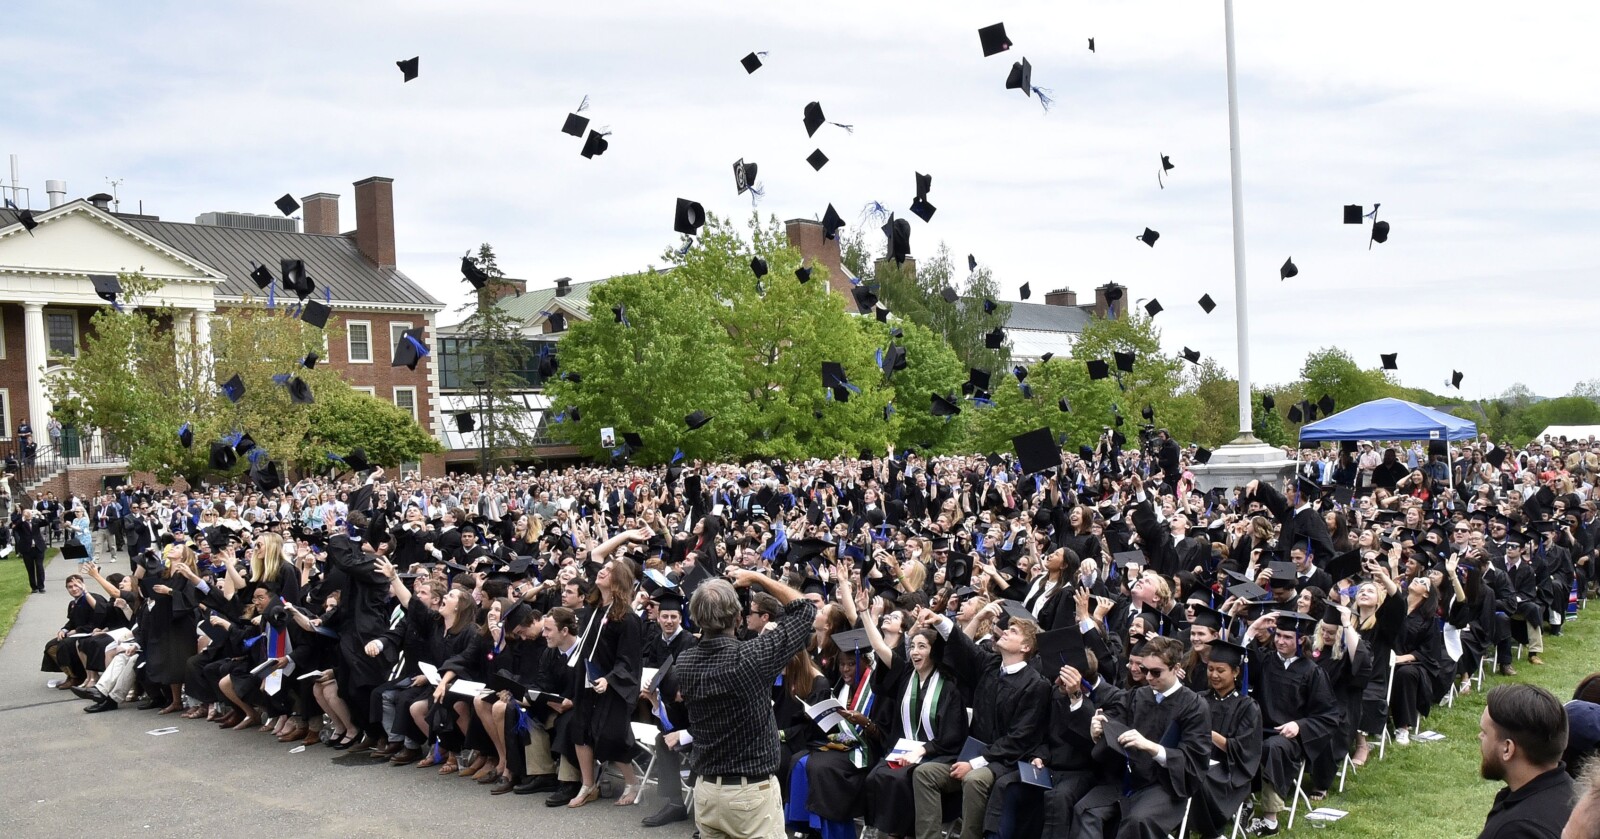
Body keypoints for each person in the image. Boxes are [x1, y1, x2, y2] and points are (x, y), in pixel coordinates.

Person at [677, 569, 816, 839]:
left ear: (696, 618)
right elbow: (805, 610)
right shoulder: (751, 657)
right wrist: (758, 578)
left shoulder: (685, 662)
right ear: (739, 617)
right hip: (749, 795)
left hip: (706, 792)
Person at [1477, 684, 1573, 838]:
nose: (1479, 737)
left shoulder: (1517, 831)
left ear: (1507, 748)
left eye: (1484, 732)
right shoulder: (1575, 796)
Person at [12, 507, 48, 593]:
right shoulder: (21, 523)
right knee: (30, 568)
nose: (29, 515)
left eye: (30, 513)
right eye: (27, 514)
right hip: (27, 549)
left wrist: (40, 515)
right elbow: (16, 528)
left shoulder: (36, 521)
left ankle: (41, 586)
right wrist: (23, 519)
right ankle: (34, 587)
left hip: (38, 547)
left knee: (39, 566)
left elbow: (45, 522)